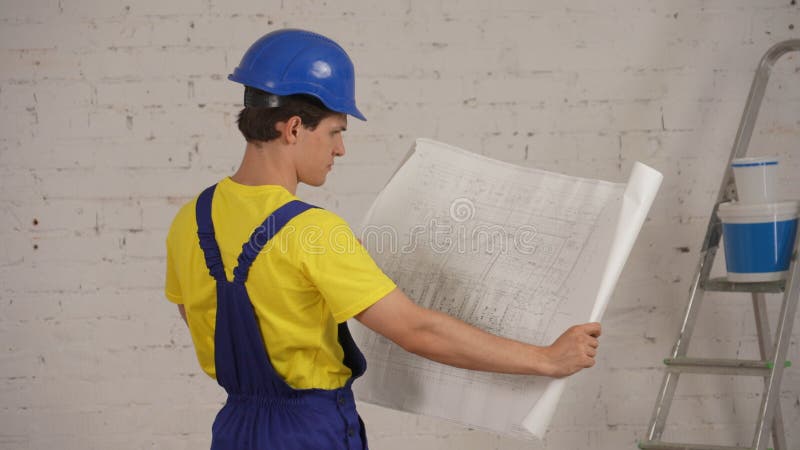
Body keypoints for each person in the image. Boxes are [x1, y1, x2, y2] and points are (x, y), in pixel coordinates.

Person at [164, 28, 601, 450]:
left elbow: (198, 317)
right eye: (335, 132)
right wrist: (547, 358)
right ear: (294, 128)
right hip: (308, 432)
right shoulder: (311, 231)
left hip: (234, 431)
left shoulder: (190, 220)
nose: (340, 150)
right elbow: (416, 330)